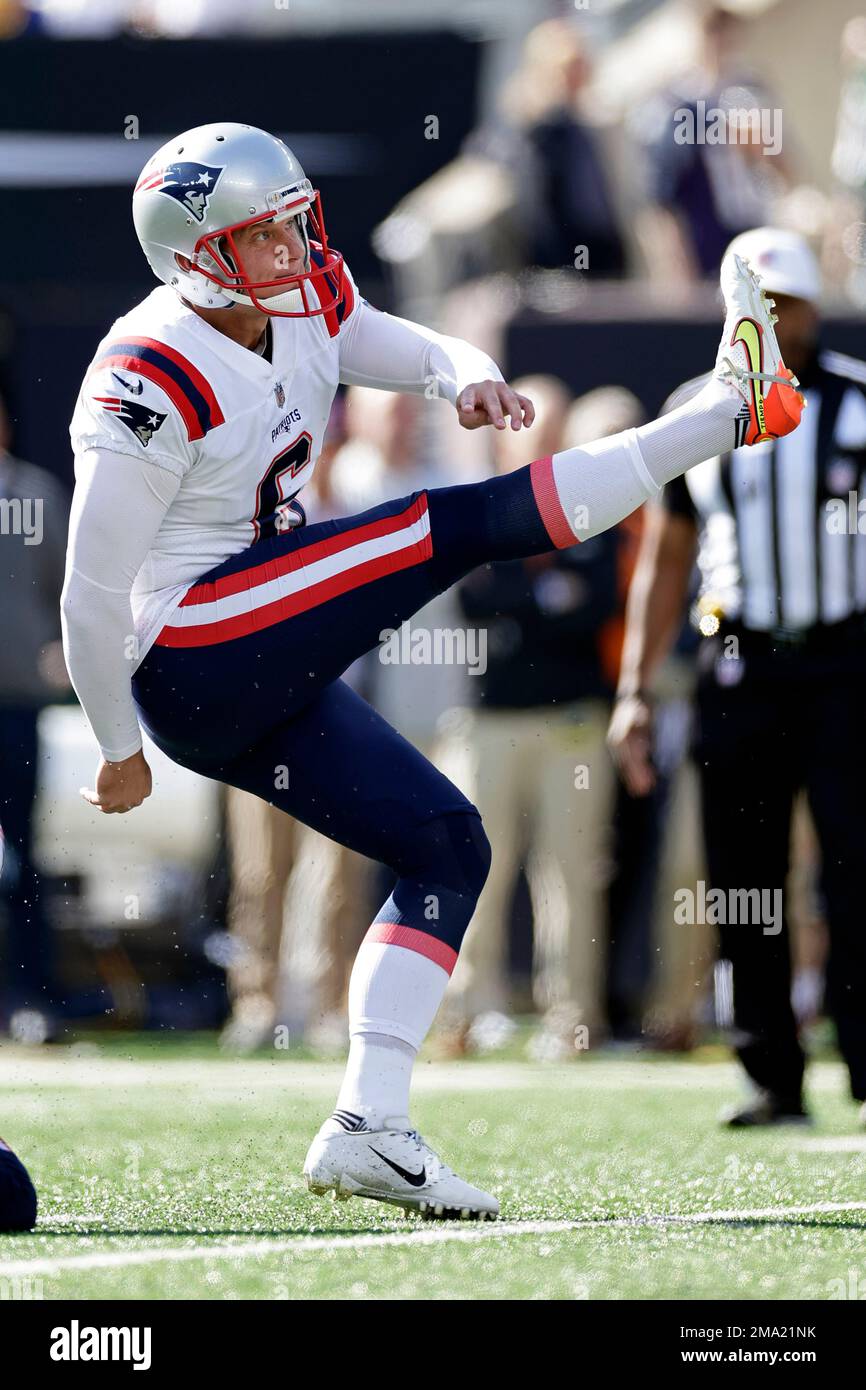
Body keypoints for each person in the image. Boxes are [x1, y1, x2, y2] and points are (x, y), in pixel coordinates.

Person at [61, 123, 802, 1221]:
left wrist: (464, 369)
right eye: (264, 235)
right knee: (435, 528)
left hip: (262, 648)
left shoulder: (295, 296)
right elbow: (88, 591)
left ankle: (370, 1121)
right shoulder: (143, 372)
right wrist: (119, 747)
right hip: (192, 648)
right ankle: (726, 412)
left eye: (293, 217)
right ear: (195, 257)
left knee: (446, 843)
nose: (296, 244)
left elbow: (365, 334)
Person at [608, 227, 866, 1128]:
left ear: (808, 308)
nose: (772, 319)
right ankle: (771, 1073)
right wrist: (637, 687)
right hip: (738, 663)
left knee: (856, 867)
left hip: (846, 663)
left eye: (784, 304)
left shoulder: (860, 404)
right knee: (743, 875)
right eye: (757, 303)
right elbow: (666, 559)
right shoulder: (696, 411)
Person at [0, 393, 70, 1039]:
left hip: (17, 703)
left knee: (22, 855)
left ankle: (29, 998)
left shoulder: (35, 493)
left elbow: (66, 586)